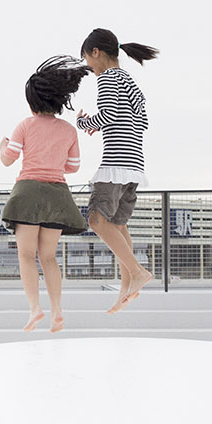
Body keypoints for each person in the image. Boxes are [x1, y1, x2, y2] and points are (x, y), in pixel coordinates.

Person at [0, 56, 88, 332]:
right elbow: (72, 168)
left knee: (26, 255)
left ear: (32, 101)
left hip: (28, 193)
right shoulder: (68, 130)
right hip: (57, 196)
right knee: (48, 257)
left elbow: (8, 159)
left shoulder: (24, 125)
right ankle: (57, 310)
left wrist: (2, 145)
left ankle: (35, 309)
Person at [75, 29, 159, 313]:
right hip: (135, 164)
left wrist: (86, 123)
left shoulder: (108, 78)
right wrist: (104, 124)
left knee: (97, 220)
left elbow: (110, 114)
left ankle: (136, 272)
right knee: (119, 226)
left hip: (116, 163)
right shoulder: (131, 82)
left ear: (96, 52)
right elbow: (141, 122)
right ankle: (127, 287)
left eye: (87, 59)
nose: (88, 66)